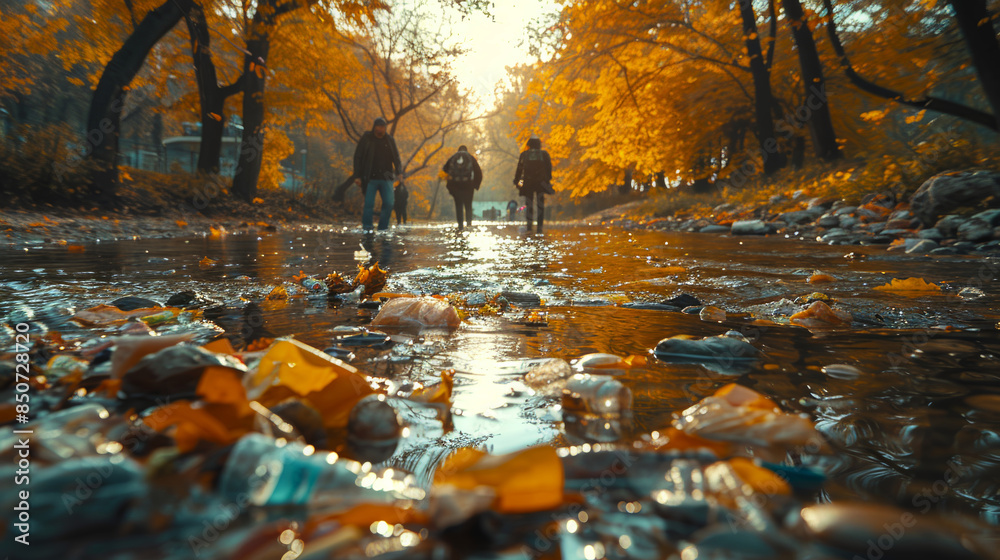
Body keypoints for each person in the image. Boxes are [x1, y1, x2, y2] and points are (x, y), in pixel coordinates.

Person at [353, 117, 403, 231]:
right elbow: (358, 157)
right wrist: (357, 176)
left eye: (383, 127)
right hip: (370, 178)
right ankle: (367, 227)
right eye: (379, 126)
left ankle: (383, 228)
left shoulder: (390, 140)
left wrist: (399, 172)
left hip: (387, 177)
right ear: (374, 127)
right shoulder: (367, 138)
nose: (381, 129)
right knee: (369, 204)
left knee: (389, 203)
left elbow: (396, 157)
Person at [513, 134, 553, 233]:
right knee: (540, 203)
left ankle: (529, 224)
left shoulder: (524, 154)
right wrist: (548, 179)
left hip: (528, 182)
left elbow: (519, 168)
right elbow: (549, 167)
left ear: (529, 144)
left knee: (529, 202)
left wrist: (517, 180)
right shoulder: (544, 154)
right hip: (541, 182)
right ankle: (540, 226)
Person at [442, 145, 483, 230]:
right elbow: (478, 172)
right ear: (466, 150)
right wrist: (476, 185)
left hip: (456, 186)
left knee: (458, 205)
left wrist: (449, 186)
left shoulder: (453, 157)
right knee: (468, 205)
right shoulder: (470, 158)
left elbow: (444, 170)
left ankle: (460, 225)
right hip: (468, 185)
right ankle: (468, 224)